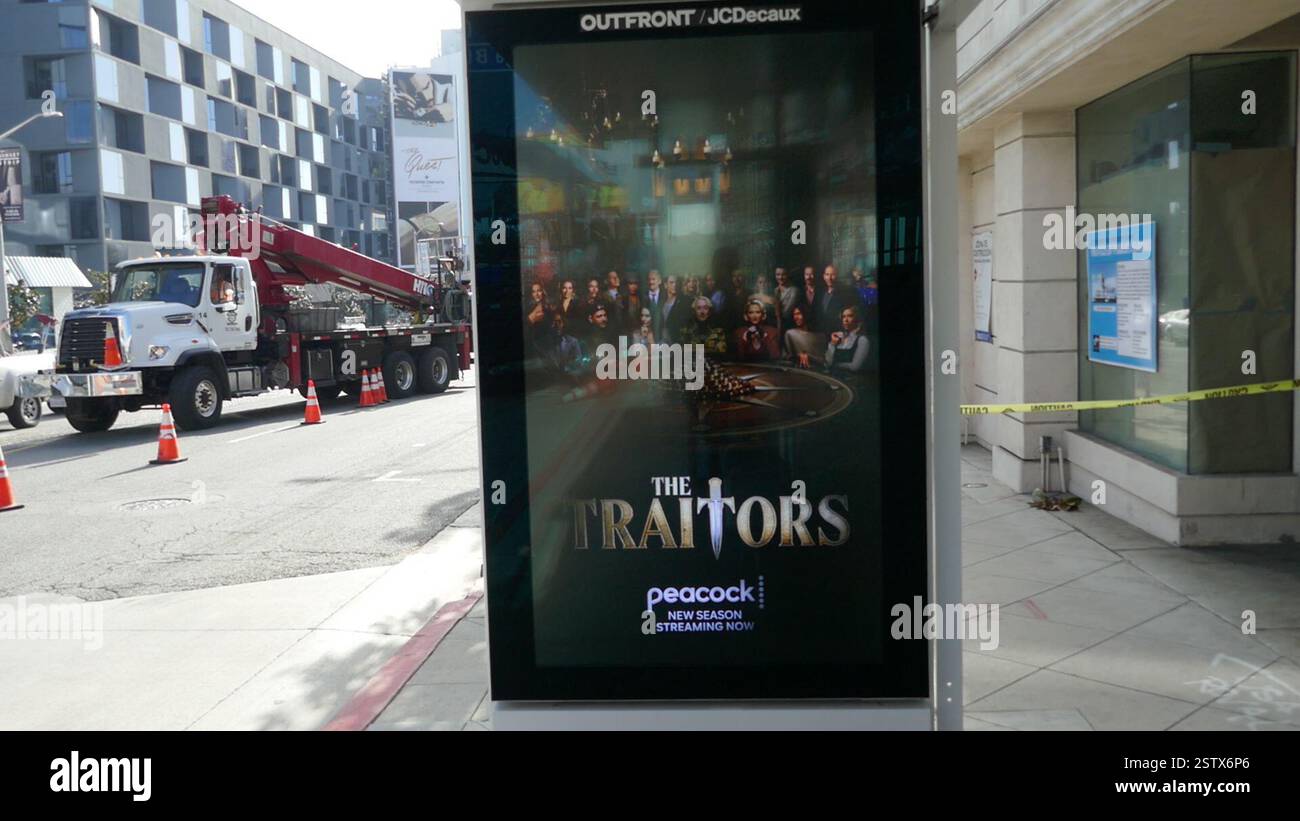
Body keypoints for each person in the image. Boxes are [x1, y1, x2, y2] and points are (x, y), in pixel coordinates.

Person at [826, 305, 870, 375]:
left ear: (857, 319)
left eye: (850, 316)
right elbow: (828, 362)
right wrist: (832, 343)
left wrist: (835, 365)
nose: (845, 320)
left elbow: (855, 367)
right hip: (835, 379)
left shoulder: (862, 340)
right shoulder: (839, 337)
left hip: (852, 382)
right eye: (843, 316)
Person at [783, 304, 825, 369]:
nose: (796, 317)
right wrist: (798, 356)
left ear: (806, 314)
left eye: (799, 314)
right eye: (794, 314)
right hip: (799, 371)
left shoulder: (820, 336)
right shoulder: (790, 334)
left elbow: (823, 360)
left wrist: (809, 357)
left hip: (818, 373)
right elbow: (786, 357)